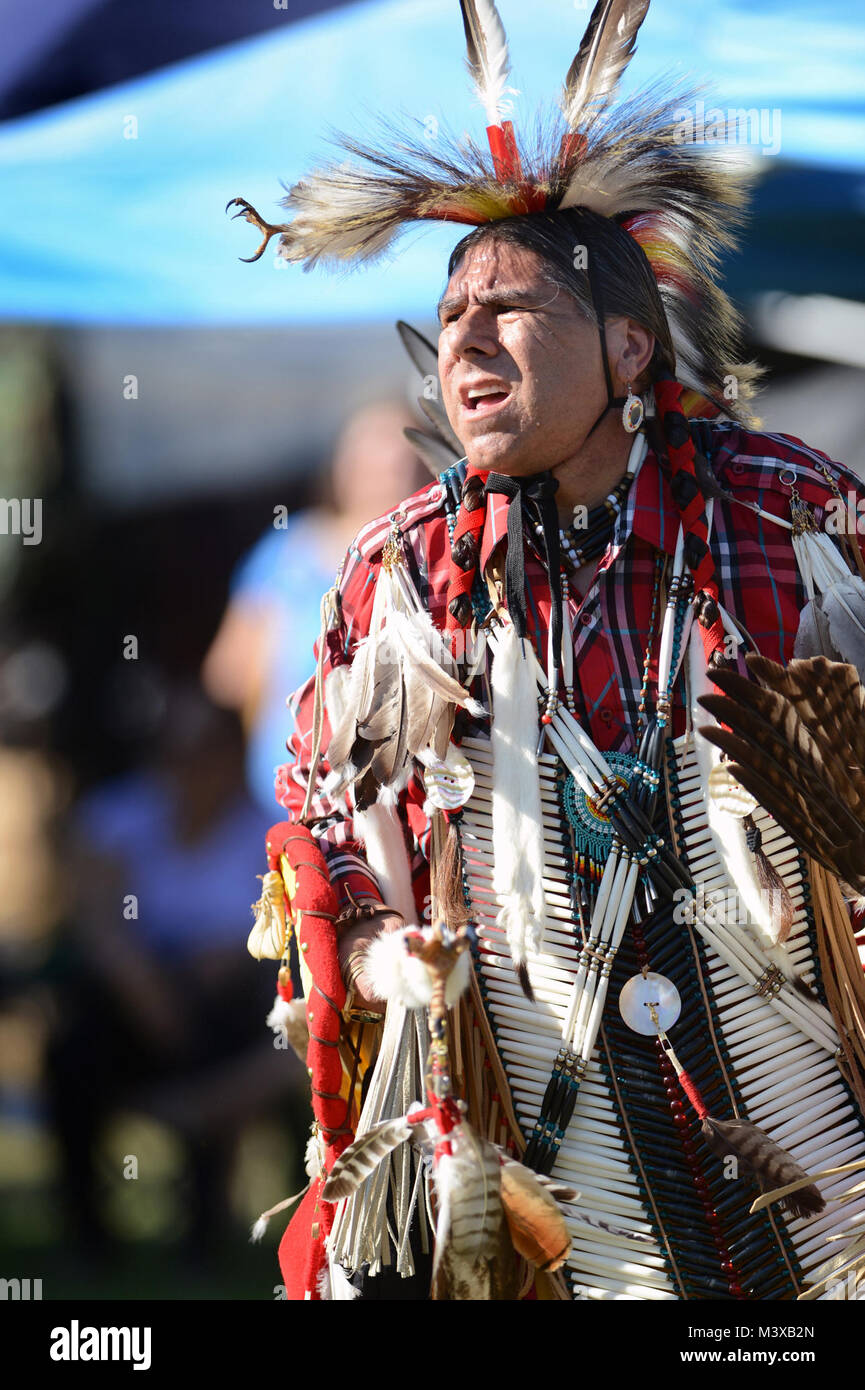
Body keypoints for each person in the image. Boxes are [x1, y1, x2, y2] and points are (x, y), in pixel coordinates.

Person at [232, 0, 865, 1300]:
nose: (463, 339)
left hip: (824, 1193)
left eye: (509, 309)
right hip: (571, 1215)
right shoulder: (400, 578)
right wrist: (374, 954)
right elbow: (328, 829)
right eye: (449, 315)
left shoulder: (781, 514)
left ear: (629, 346)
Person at [202, 402, 427, 815]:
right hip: (284, 801)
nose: (381, 473)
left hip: (394, 812)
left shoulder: (430, 560)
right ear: (341, 466)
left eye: (397, 462)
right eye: (368, 459)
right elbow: (226, 676)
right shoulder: (287, 554)